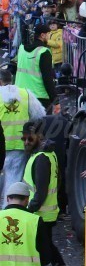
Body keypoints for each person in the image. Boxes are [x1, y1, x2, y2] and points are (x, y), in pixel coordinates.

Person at [21, 121, 78, 266]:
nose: (25, 142)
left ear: (39, 136)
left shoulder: (41, 158)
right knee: (49, 251)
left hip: (39, 215)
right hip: (44, 214)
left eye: (29, 138)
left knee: (42, 253)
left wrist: (28, 210)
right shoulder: (46, 154)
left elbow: (41, 191)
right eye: (23, 138)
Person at [0, 68, 45, 208]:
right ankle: (7, 213)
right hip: (19, 147)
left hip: (3, 145)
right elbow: (40, 115)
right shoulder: (25, 94)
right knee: (13, 184)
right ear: (11, 80)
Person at [15, 24, 56, 109]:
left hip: (20, 94)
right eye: (48, 34)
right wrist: (55, 100)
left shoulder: (21, 49)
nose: (49, 36)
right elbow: (47, 78)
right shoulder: (44, 52)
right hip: (38, 97)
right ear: (42, 35)